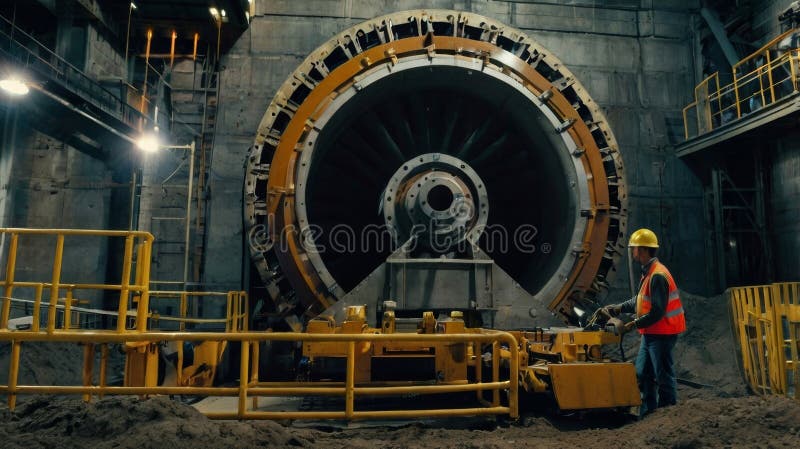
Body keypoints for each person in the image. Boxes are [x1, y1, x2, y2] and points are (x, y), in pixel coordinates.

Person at [604, 228, 686, 417]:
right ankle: (649, 413)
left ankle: (667, 414)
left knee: (663, 375)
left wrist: (633, 325)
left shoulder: (657, 275)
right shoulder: (649, 272)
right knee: (643, 373)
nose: (632, 252)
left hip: (662, 333)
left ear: (642, 250)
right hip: (651, 333)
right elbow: (640, 299)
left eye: (634, 248)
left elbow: (657, 311)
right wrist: (619, 308)